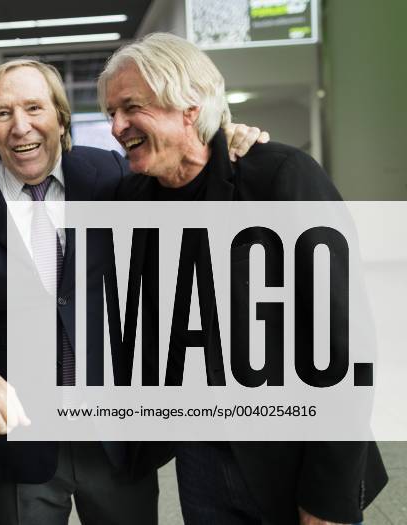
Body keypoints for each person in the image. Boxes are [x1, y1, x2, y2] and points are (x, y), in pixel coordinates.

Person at [0, 58, 267, 524]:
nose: (20, 126)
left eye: (34, 108)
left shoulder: (114, 173)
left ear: (61, 117)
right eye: (2, 113)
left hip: (115, 437)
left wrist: (226, 143)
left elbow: (186, 183)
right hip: (15, 440)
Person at [98, 32, 388, 525]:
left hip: (290, 450)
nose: (116, 126)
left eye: (130, 108)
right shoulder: (132, 199)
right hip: (199, 453)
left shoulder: (280, 178)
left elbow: (344, 344)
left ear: (188, 107)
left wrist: (327, 497)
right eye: (110, 113)